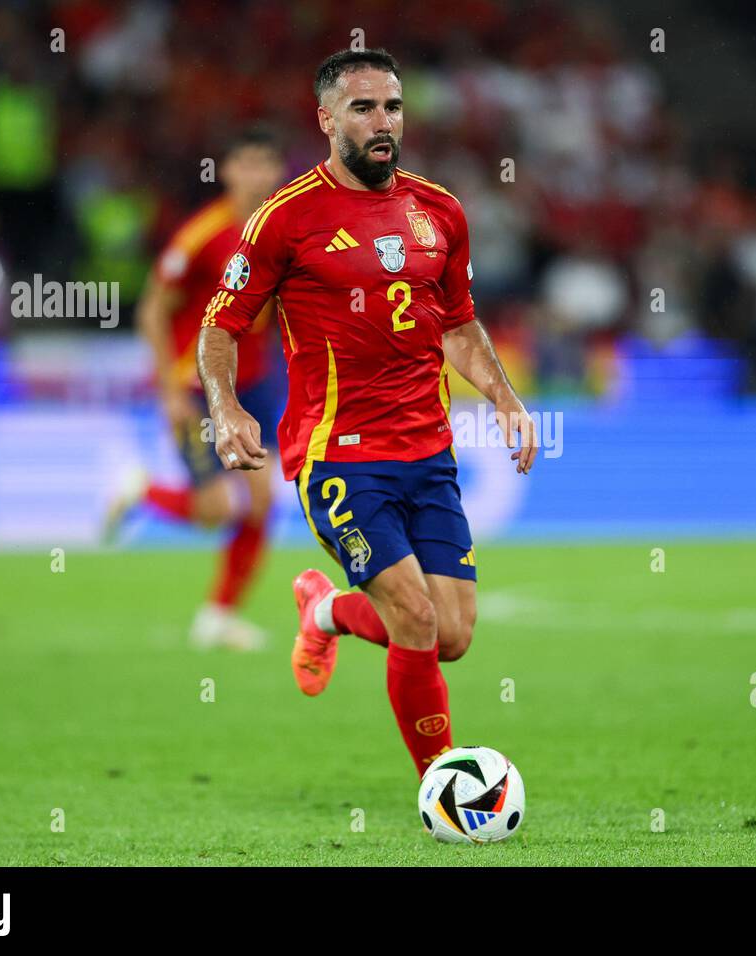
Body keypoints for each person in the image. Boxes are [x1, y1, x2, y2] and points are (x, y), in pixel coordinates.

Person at [196, 49, 537, 774]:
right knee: (414, 619)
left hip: (429, 455)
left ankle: (323, 612)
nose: (383, 123)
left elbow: (458, 324)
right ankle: (446, 788)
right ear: (325, 119)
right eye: (363, 108)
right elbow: (219, 326)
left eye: (393, 107)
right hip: (341, 457)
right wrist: (224, 407)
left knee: (451, 634)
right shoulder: (284, 220)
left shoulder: (438, 209)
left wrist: (504, 397)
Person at [104, 126, 287, 650]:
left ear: (277, 173)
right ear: (227, 171)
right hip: (197, 387)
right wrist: (167, 390)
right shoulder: (201, 235)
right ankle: (143, 490)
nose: (256, 175)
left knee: (259, 502)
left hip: (255, 384)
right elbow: (153, 309)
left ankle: (218, 616)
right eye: (245, 164)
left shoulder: (282, 231)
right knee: (216, 511)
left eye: (265, 164)